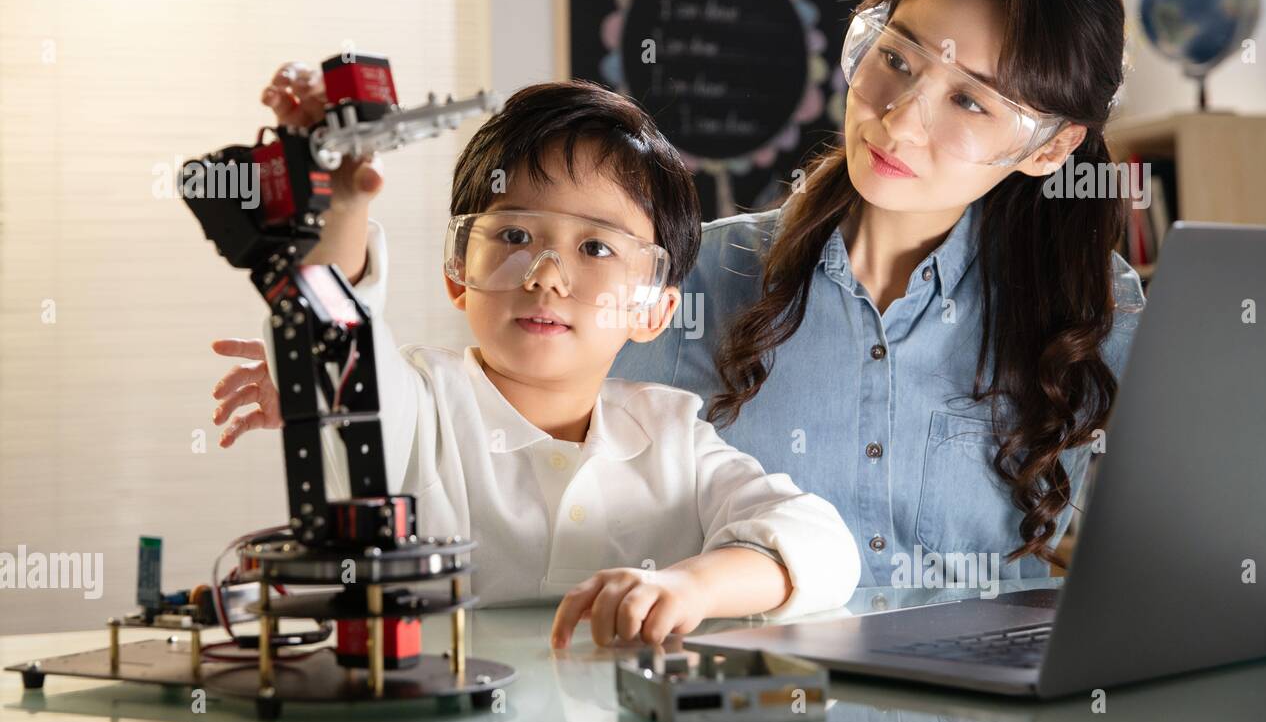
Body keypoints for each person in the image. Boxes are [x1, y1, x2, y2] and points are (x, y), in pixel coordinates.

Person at [211, 80, 860, 649]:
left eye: (596, 246)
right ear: (460, 272)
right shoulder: (418, 402)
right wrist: (343, 204)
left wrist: (690, 587)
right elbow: (339, 349)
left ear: (654, 310)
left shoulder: (672, 435)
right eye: (515, 236)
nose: (547, 276)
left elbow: (822, 545)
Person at [607, 0, 1145, 585]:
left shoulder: (1097, 307)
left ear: (1052, 148)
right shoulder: (685, 281)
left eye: (970, 103)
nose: (898, 119)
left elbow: (1170, 556)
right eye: (895, 59)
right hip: (752, 685)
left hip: (979, 693)